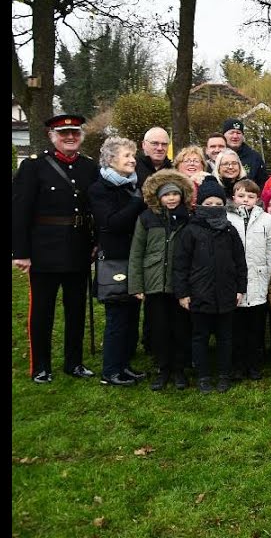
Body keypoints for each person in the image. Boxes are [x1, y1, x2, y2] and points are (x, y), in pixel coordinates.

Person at [12, 114, 99, 384]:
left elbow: (94, 208)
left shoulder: (88, 167)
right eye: (64, 134)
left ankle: (74, 362)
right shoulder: (33, 167)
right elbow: (19, 210)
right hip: (44, 250)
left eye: (74, 133)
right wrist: (20, 252)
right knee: (42, 311)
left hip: (79, 248)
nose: (70, 138)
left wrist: (95, 241)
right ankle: (41, 366)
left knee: (76, 309)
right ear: (53, 137)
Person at [173, 177, 248, 394]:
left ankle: (224, 374)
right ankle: (203, 376)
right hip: (199, 294)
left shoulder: (230, 230)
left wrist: (240, 288)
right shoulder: (191, 230)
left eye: (217, 204)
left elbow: (239, 262)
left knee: (226, 337)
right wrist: (183, 293)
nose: (213, 208)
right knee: (200, 337)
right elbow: (181, 265)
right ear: (200, 205)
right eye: (208, 204)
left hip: (226, 293)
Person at [88, 136, 149, 387]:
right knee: (117, 317)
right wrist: (136, 202)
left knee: (132, 313)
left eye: (133, 155)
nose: (133, 159)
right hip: (115, 259)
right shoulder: (100, 189)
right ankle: (110, 370)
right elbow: (111, 223)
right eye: (127, 156)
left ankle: (124, 365)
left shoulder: (132, 185)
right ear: (111, 160)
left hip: (134, 258)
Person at [129, 169, 192, 390]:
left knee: (180, 328)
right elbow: (137, 252)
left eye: (175, 194)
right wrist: (136, 284)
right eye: (166, 195)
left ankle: (179, 369)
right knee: (159, 328)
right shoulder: (147, 218)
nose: (171, 198)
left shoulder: (188, 218)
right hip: (154, 282)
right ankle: (163, 368)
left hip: (179, 284)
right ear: (158, 197)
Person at [228, 179, 271, 382]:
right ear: (234, 198)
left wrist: (266, 276)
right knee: (236, 327)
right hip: (235, 281)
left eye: (250, 196)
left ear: (257, 199)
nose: (245, 200)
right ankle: (238, 365)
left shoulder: (267, 220)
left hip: (258, 279)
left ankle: (255, 364)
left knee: (256, 327)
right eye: (241, 196)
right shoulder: (227, 218)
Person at [222, 118, 267, 186]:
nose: (235, 136)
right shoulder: (217, 155)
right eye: (231, 133)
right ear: (224, 135)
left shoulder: (254, 157)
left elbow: (263, 183)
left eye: (238, 133)